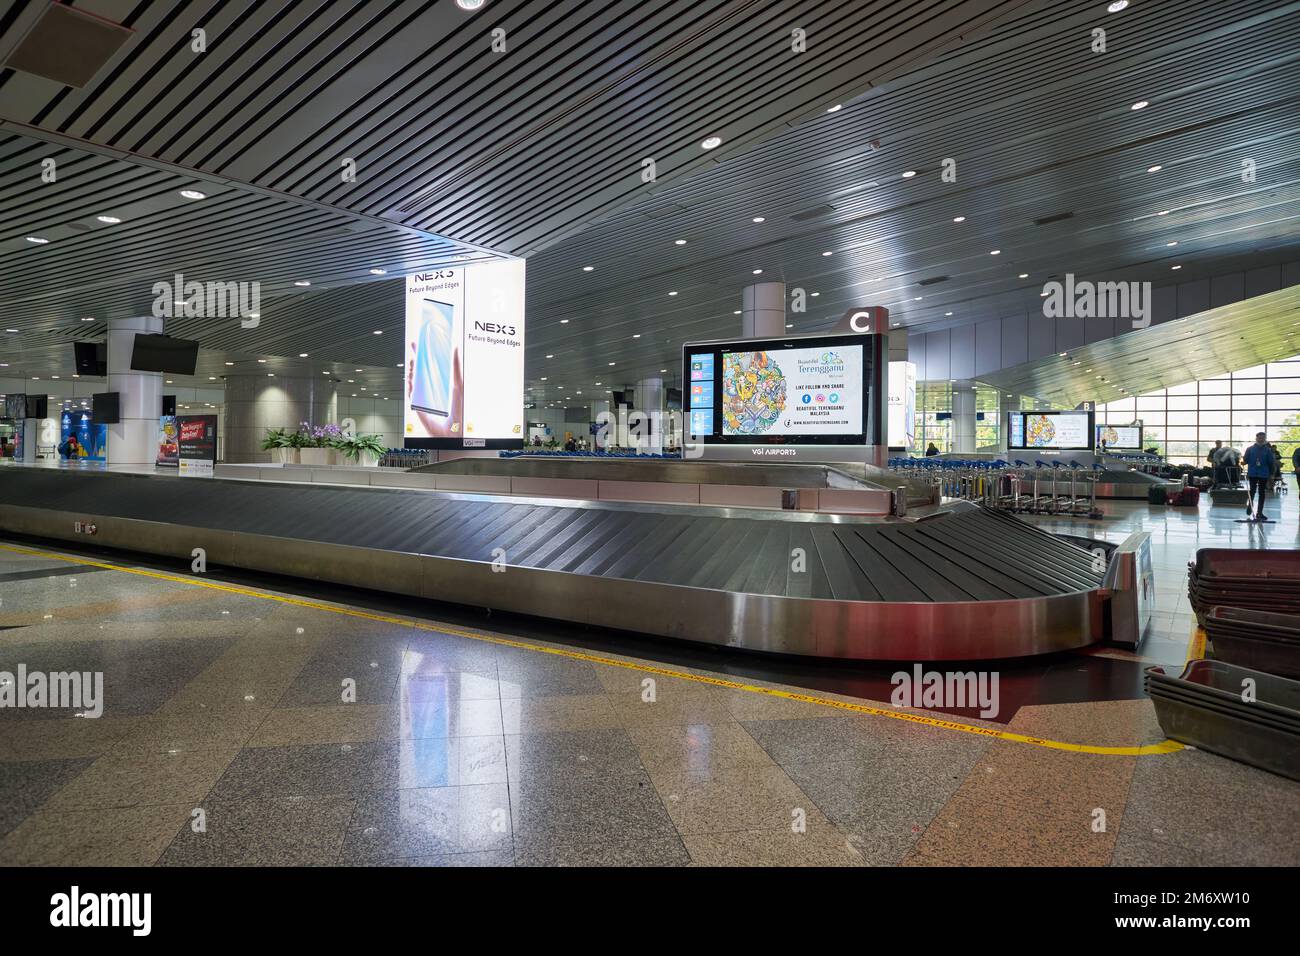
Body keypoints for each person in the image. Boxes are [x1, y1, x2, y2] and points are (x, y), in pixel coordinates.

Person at [1243, 432, 1273, 521]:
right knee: (1252, 491)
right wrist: (1244, 462)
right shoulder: (1250, 449)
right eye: (1259, 438)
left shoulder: (1268, 450)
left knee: (1262, 493)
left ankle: (1259, 512)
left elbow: (1271, 462)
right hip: (1253, 473)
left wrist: (1271, 474)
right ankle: (1250, 506)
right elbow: (1245, 459)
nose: (1261, 439)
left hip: (1263, 473)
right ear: (1256, 438)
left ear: (1265, 439)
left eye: (1263, 438)